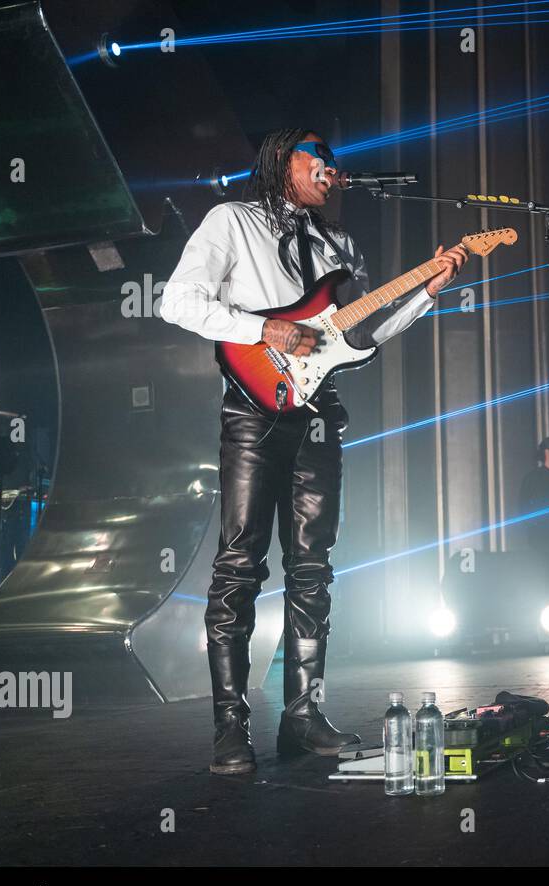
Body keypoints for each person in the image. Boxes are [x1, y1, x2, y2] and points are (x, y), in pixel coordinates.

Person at [160, 129, 468, 774]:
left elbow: (355, 336)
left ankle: (302, 715)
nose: (328, 165)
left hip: (320, 414)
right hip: (253, 408)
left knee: (313, 568)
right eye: (312, 154)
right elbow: (178, 301)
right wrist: (262, 327)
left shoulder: (339, 245)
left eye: (332, 156)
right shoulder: (232, 221)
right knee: (240, 565)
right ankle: (230, 726)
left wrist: (424, 292)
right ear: (280, 162)